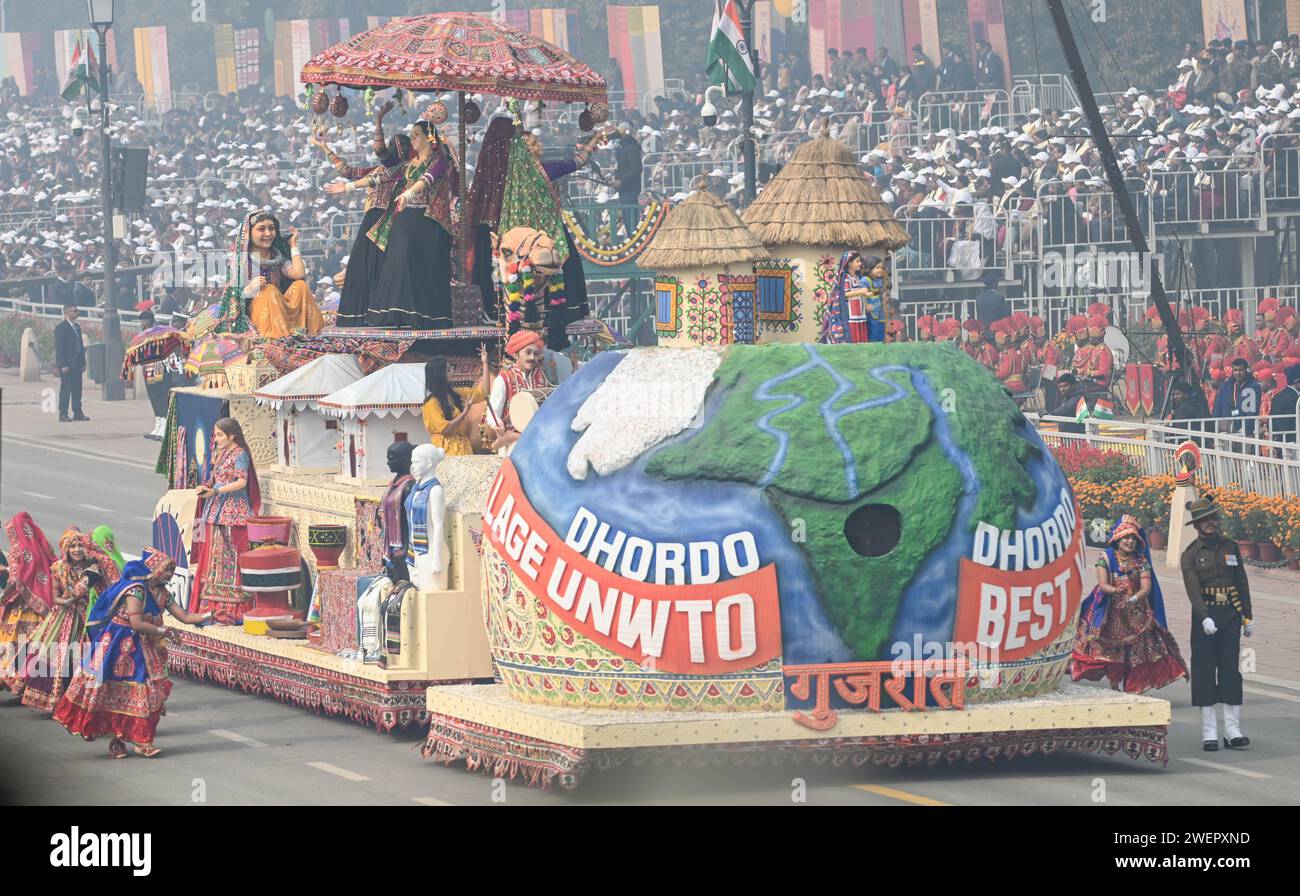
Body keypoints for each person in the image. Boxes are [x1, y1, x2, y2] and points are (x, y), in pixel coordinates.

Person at [53, 549, 212, 758]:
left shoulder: (163, 593)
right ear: (152, 571)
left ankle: (143, 741)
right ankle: (118, 740)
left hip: (147, 648)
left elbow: (185, 616)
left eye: (170, 572)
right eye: (165, 571)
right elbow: (136, 623)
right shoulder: (136, 590)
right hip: (121, 646)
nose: (168, 576)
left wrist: (211, 615)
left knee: (147, 693)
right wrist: (164, 631)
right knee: (115, 692)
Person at [316, 99, 412, 327]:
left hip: (387, 220)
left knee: (378, 267)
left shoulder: (403, 170)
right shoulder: (383, 168)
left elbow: (374, 168)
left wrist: (378, 121)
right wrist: (324, 148)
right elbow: (348, 170)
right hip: (373, 218)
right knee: (363, 266)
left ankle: (378, 314)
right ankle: (363, 314)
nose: (387, 149)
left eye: (393, 145)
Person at [1070, 515, 1188, 694]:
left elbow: (1146, 588)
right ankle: (1114, 684)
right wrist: (1117, 592)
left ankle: (1133, 685)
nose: (1129, 542)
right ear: (1117, 539)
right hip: (1111, 611)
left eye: (1133, 538)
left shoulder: (1141, 561)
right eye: (1126, 537)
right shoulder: (1106, 557)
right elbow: (1103, 585)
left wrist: (1133, 599)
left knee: (1138, 652)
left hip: (1136, 614)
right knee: (1109, 651)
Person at [364, 119, 459, 329]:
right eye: (412, 134)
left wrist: (408, 193)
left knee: (421, 266)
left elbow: (427, 179)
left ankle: (423, 316)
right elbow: (383, 177)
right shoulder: (409, 164)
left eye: (416, 134)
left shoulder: (439, 160)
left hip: (427, 221)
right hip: (405, 218)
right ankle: (396, 314)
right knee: (397, 263)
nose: (412, 138)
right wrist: (349, 186)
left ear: (429, 137)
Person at [1180, 497, 1254, 751]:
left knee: (1230, 669)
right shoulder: (1190, 554)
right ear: (1197, 524)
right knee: (1204, 669)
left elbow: (1241, 582)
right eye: (1204, 520)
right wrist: (1204, 616)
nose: (1210, 523)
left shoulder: (1230, 547)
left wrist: (1248, 616)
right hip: (1206, 616)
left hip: (1230, 615)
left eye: (1212, 518)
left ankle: (1232, 730)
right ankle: (1209, 732)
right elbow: (1193, 590)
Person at [20, 528, 119, 713]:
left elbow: (89, 588)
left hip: (87, 614)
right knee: (59, 655)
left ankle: (78, 700)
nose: (77, 549)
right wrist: (66, 601)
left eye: (80, 545)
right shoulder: (59, 568)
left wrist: (77, 598)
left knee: (84, 656)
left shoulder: (93, 566)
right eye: (72, 546)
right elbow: (54, 596)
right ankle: (57, 699)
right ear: (66, 548)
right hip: (65, 615)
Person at [189, 417, 261, 624]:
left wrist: (216, 491)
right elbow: (216, 477)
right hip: (215, 511)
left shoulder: (241, 455)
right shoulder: (222, 454)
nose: (216, 438)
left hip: (233, 515)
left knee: (231, 561)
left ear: (232, 435)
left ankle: (233, 609)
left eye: (220, 434)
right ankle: (211, 607)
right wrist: (206, 487)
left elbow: (241, 481)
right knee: (212, 559)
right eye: (215, 434)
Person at [219, 211, 324, 338]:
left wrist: (293, 245)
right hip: (256, 313)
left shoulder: (277, 256)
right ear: (249, 234)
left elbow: (299, 273)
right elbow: (232, 297)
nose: (268, 234)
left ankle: (314, 333)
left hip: (281, 309)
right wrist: (250, 288)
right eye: (261, 229)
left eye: (271, 228)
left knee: (300, 285)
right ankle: (277, 338)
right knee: (268, 290)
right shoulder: (241, 260)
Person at [0, 512, 57, 701]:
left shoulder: (17, 550)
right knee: (32, 649)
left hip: (20, 609)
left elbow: (15, 581)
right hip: (40, 610)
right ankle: (25, 687)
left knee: (11, 647)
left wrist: (3, 598)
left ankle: (13, 684)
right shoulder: (39, 548)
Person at [485, 330, 552, 454]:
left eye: (536, 354)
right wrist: (497, 425)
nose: (532, 357)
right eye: (528, 353)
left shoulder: (542, 377)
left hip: (539, 438)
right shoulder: (504, 378)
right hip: (513, 445)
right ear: (516, 355)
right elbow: (492, 413)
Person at [421, 347, 491, 457]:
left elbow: (484, 393)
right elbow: (445, 430)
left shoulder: (455, 392)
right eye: (448, 370)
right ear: (439, 374)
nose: (452, 372)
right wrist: (464, 413)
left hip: (463, 447)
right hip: (445, 450)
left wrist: (485, 363)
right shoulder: (431, 402)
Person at [54, 303, 89, 423]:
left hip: (77, 363)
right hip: (67, 364)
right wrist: (62, 364)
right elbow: (60, 347)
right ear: (67, 313)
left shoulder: (77, 327)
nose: (77, 313)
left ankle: (77, 412)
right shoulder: (61, 327)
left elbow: (80, 345)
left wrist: (83, 362)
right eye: (75, 310)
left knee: (77, 388)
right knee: (66, 388)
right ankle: (63, 413)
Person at [1212, 357, 1261, 440]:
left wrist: (1245, 429)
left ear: (1246, 370)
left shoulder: (1253, 386)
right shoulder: (1226, 385)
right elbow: (1218, 407)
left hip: (1244, 432)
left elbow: (1253, 411)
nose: (1238, 373)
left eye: (1240, 370)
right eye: (1235, 370)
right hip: (1224, 430)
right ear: (1232, 371)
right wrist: (1214, 424)